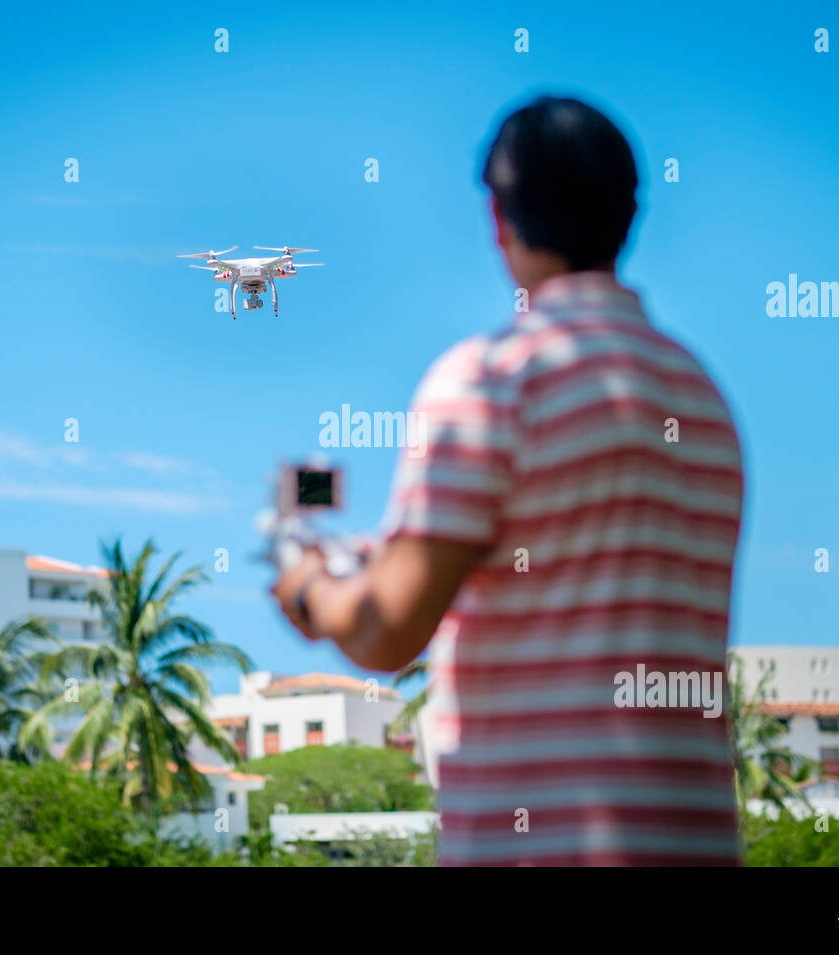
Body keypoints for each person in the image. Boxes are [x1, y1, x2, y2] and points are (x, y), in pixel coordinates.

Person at [271, 95, 743, 866]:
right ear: (631, 213)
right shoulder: (702, 397)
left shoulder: (490, 381)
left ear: (498, 220)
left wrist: (309, 591)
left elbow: (387, 629)